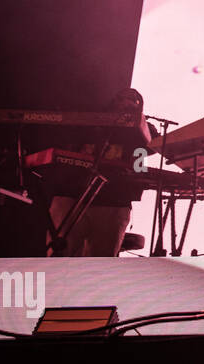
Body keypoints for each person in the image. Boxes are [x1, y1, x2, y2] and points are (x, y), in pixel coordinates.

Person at [48, 87, 158, 256]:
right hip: (71, 197)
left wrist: (138, 123)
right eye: (122, 99)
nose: (126, 103)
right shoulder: (91, 122)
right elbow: (63, 138)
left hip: (114, 202)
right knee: (59, 259)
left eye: (133, 101)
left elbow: (149, 151)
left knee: (100, 265)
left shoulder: (143, 132)